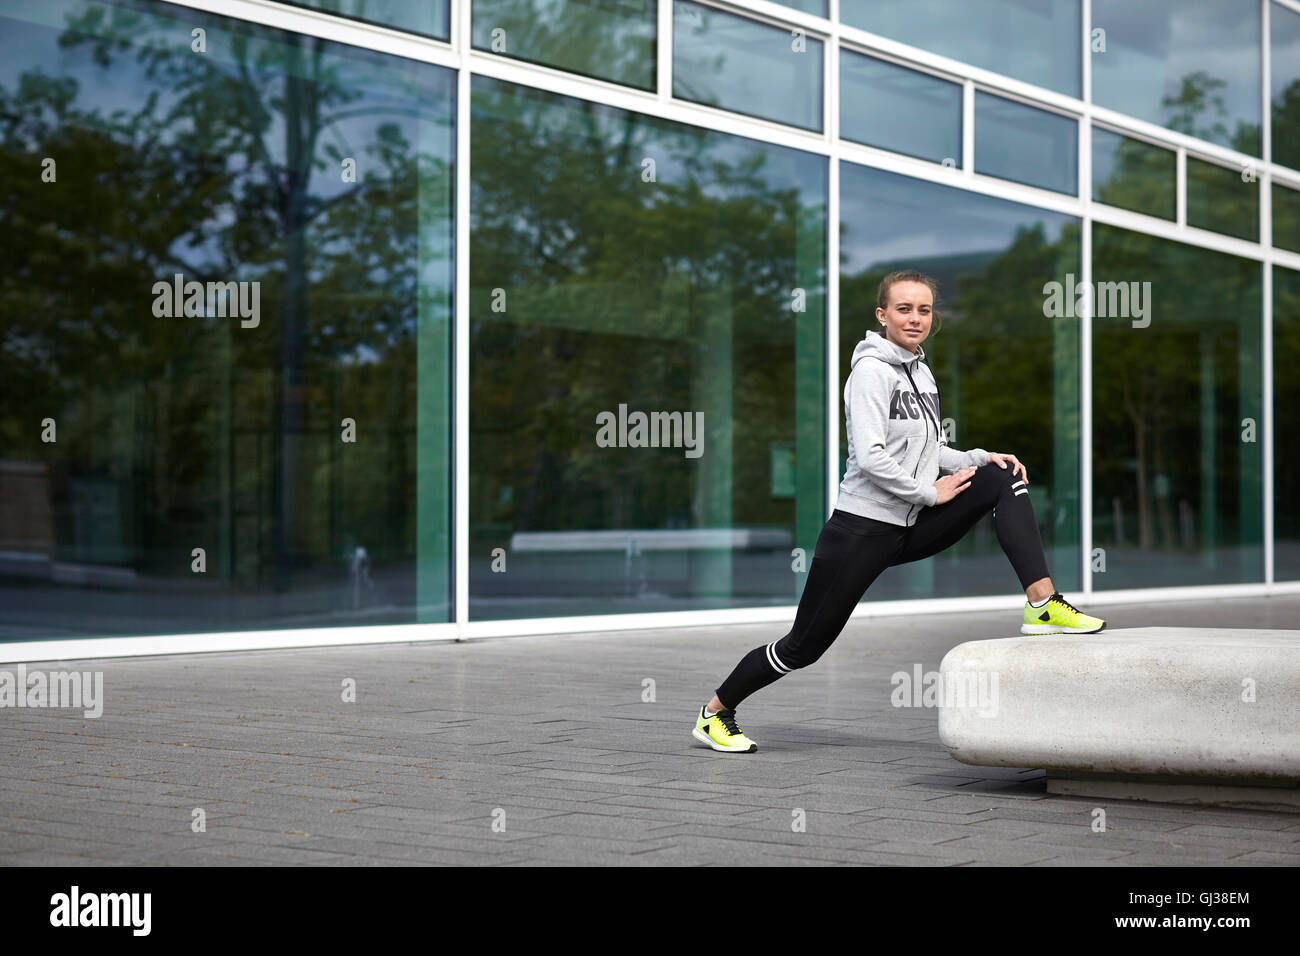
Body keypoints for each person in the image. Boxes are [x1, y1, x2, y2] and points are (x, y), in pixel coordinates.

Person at [692, 270, 1105, 754]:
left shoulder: (921, 371)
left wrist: (978, 458)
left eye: (924, 310)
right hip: (862, 531)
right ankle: (716, 713)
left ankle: (1043, 604)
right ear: (882, 315)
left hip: (909, 525)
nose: (915, 318)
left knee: (1001, 476)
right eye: (904, 309)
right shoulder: (870, 372)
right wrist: (930, 495)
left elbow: (931, 450)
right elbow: (871, 457)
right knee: (803, 646)